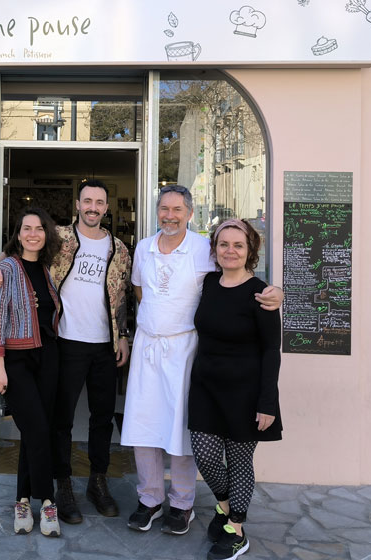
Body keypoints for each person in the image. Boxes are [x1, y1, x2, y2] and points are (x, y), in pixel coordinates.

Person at [121, 185, 281, 536]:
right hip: (148, 348)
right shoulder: (144, 248)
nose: (170, 215)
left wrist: (276, 291)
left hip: (185, 351)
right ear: (157, 211)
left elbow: (236, 273)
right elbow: (139, 291)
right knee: (143, 427)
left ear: (190, 214)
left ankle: (181, 504)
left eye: (178, 209)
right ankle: (149, 498)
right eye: (164, 208)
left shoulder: (202, 249)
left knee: (181, 429)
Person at [0, 179, 131, 524]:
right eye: (87, 201)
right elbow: (24, 251)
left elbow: (122, 296)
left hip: (104, 345)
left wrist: (123, 335)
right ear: (77, 205)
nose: (93, 207)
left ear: (106, 208)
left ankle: (98, 482)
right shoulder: (60, 239)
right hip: (64, 342)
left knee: (101, 418)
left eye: (99, 202)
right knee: (61, 421)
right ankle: (62, 484)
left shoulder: (121, 249)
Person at [189, 218, 282, 560]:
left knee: (240, 460)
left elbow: (272, 350)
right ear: (214, 250)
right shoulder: (209, 283)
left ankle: (237, 530)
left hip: (245, 390)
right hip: (205, 386)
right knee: (206, 455)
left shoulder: (262, 295)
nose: (230, 250)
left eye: (238, 245)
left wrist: (267, 402)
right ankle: (226, 507)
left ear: (250, 251)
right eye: (224, 244)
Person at [0, 207, 63, 537]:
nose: (33, 233)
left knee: (38, 431)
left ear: (46, 233)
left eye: (39, 228)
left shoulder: (46, 268)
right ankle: (48, 502)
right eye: (26, 228)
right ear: (17, 235)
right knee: (37, 430)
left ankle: (22, 500)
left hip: (47, 357)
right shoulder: (6, 268)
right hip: (16, 362)